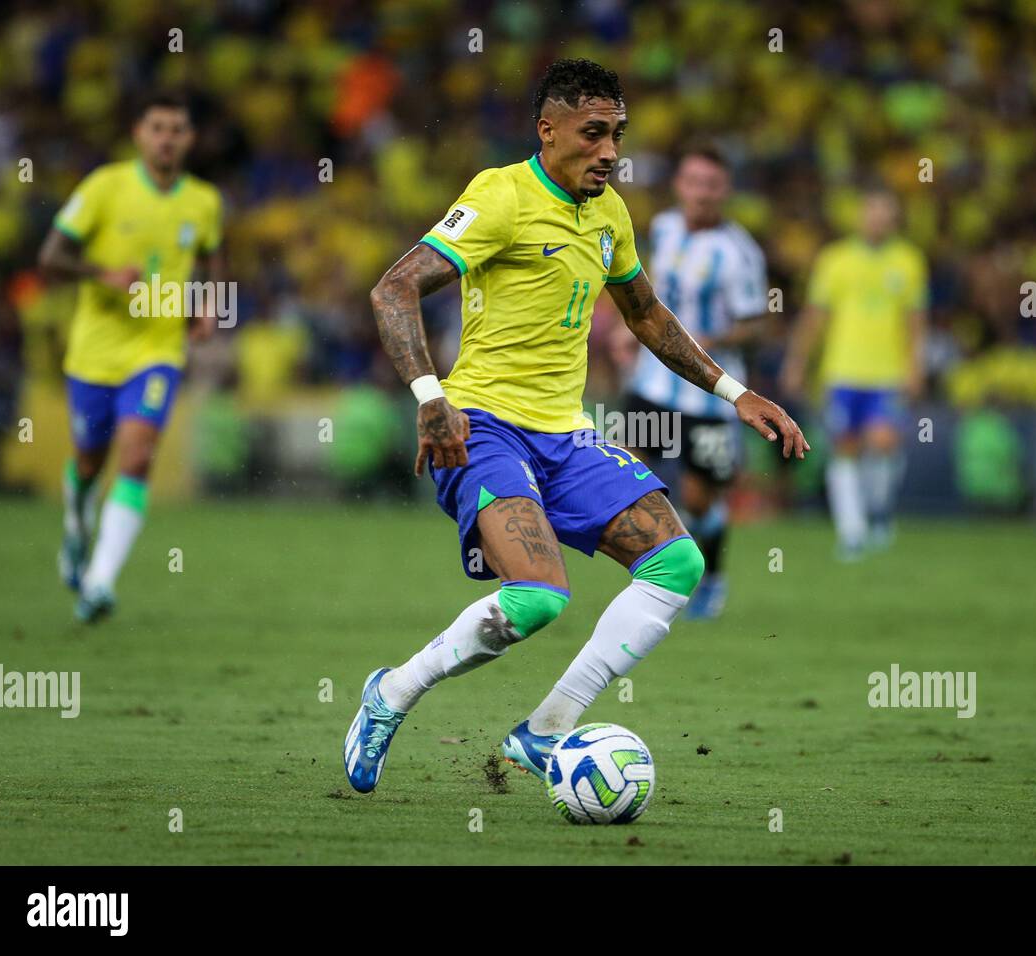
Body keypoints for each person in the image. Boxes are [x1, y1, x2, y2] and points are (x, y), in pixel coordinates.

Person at [344, 59, 808, 793]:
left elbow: (646, 313)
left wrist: (735, 392)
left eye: (618, 135)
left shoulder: (610, 213)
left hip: (565, 434)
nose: (610, 152)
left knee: (679, 564)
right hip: (481, 426)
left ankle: (547, 729)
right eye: (594, 134)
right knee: (538, 598)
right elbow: (393, 287)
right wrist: (431, 398)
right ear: (548, 130)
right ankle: (393, 693)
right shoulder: (501, 195)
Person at [39, 93, 223, 622]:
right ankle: (76, 531)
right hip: (95, 353)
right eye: (158, 128)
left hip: (158, 349)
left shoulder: (204, 200)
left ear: (189, 140)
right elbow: (50, 257)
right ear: (140, 135)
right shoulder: (105, 186)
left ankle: (99, 581)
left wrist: (210, 303)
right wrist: (101, 275)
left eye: (178, 129)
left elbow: (213, 257)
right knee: (90, 460)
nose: (168, 138)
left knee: (138, 455)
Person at [621, 144, 770, 618]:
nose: (701, 193)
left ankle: (713, 577)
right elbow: (648, 295)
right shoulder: (663, 229)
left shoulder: (739, 251)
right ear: (680, 185)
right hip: (653, 384)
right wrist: (629, 335)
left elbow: (756, 323)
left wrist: (709, 337)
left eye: (711, 184)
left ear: (723, 190)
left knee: (701, 499)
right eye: (693, 182)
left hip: (710, 397)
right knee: (626, 477)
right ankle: (655, 572)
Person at [781, 188, 927, 560]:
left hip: (888, 373)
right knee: (843, 447)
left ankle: (878, 512)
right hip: (842, 371)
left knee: (882, 444)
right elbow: (816, 318)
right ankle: (852, 531)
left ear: (895, 219)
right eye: (871, 211)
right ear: (860, 216)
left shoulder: (909, 261)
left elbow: (915, 322)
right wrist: (797, 362)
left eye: (885, 213)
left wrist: (916, 365)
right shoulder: (836, 260)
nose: (877, 219)